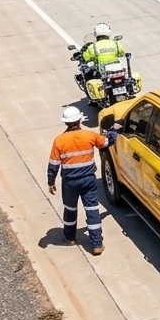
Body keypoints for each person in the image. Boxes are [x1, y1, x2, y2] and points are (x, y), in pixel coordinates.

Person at [48, 106, 113, 255]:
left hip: (69, 183)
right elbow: (106, 142)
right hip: (88, 181)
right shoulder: (89, 135)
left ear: (66, 123)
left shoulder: (59, 141)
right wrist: (114, 131)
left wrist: (51, 181)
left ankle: (70, 238)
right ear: (79, 120)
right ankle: (97, 244)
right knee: (92, 210)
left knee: (70, 210)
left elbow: (53, 164)